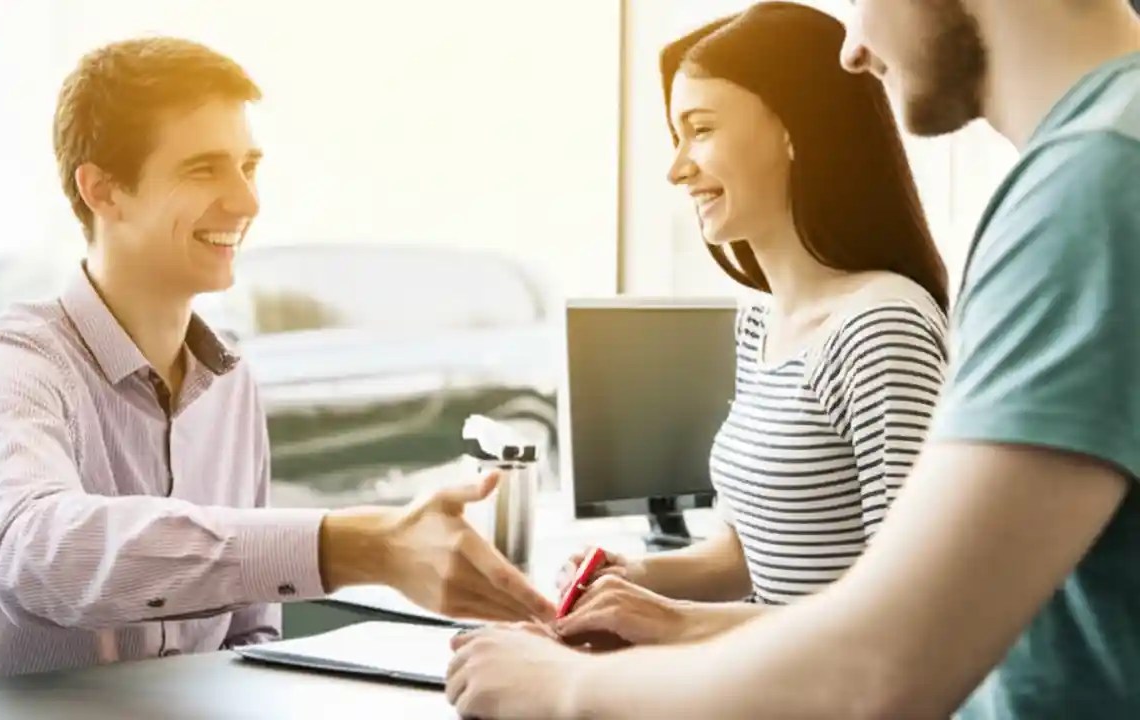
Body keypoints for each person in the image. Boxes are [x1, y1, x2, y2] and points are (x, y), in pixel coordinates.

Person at [446, 0, 1140, 716]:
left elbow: (890, 656)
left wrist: (564, 688)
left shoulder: (1095, 188)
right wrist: (660, 609)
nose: (853, 50)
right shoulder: (1093, 169)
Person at [0, 37, 553, 686]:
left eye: (249, 166)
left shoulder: (230, 383)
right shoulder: (5, 365)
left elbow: (250, 637)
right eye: (204, 169)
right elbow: (41, 556)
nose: (247, 202)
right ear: (103, 190)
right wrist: (359, 544)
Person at [547, 2, 950, 650]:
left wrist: (672, 624)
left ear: (794, 129)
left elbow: (907, 612)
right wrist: (635, 576)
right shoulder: (761, 327)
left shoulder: (883, 329)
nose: (678, 168)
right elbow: (746, 554)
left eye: (699, 130)